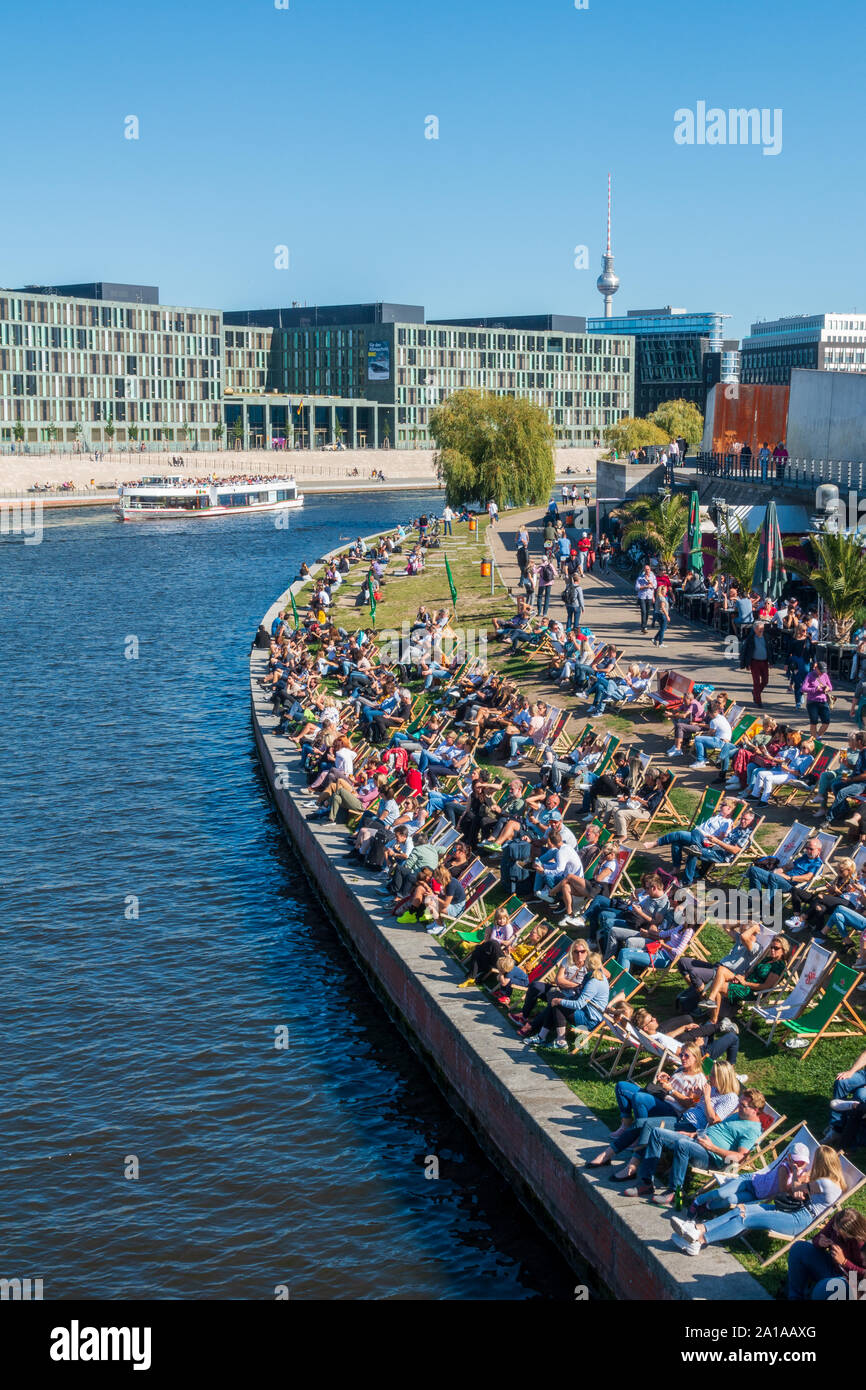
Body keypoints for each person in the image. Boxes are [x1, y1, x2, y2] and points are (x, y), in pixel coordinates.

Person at [671, 1145, 846, 1257]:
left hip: (799, 1219)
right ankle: (696, 1228)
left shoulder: (823, 1182)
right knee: (739, 1209)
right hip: (796, 1212)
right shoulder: (836, 1183)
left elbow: (793, 1188)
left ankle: (699, 1240)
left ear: (822, 1164)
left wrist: (793, 1169)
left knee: (744, 1218)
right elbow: (803, 1193)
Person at [621, 1089, 766, 1200]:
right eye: (739, 1103)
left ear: (756, 1110)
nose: (739, 1107)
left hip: (711, 1157)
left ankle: (675, 1192)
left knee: (682, 1144)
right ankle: (646, 1182)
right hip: (697, 1141)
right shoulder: (739, 1115)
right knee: (657, 1132)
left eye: (743, 1105)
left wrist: (712, 1147)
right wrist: (693, 1134)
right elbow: (717, 1130)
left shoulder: (752, 1131)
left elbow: (740, 1158)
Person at [787, 1207, 866, 1300]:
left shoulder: (862, 1243)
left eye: (840, 1233)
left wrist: (844, 1262)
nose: (836, 1234)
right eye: (835, 1229)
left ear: (851, 1233)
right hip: (831, 1266)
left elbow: (863, 1276)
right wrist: (819, 1242)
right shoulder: (837, 1220)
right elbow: (817, 1237)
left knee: (822, 1289)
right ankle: (795, 1296)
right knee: (798, 1248)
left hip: (851, 1280)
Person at [740, 619, 770, 707]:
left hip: (764, 661)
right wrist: (747, 664)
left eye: (762, 628)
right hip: (754, 662)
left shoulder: (766, 637)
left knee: (765, 681)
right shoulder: (750, 639)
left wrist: (771, 661)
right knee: (756, 682)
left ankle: (755, 693)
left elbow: (769, 649)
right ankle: (758, 701)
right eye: (760, 629)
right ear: (755, 629)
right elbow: (745, 652)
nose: (762, 630)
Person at [802, 661, 833, 738]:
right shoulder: (810, 675)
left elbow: (830, 687)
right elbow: (803, 688)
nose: (822, 673)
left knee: (826, 722)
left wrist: (827, 688)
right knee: (814, 722)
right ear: (816, 669)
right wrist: (815, 689)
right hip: (812, 702)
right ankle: (814, 740)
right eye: (821, 671)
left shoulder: (825, 675)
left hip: (823, 701)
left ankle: (818, 736)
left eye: (824, 671)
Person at [635, 563, 656, 632]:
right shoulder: (640, 577)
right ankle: (643, 627)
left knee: (647, 611)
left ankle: (645, 624)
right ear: (644, 570)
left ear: (650, 570)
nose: (647, 571)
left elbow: (654, 586)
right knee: (643, 611)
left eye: (648, 569)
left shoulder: (652, 577)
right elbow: (637, 587)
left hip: (649, 596)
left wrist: (649, 581)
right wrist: (645, 586)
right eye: (646, 569)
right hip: (642, 596)